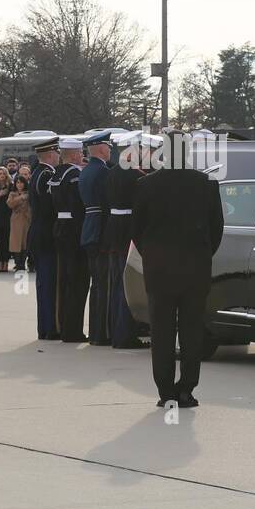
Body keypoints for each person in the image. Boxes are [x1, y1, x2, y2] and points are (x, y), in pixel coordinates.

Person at [134, 131, 224, 407]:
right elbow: (216, 229)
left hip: (159, 269)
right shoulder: (206, 184)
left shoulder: (146, 185)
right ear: (187, 153)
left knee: (161, 332)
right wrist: (201, 254)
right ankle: (187, 389)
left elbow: (137, 230)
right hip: (195, 268)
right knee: (191, 330)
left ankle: (165, 391)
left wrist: (151, 254)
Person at [105, 133, 147, 349]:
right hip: (128, 229)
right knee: (127, 284)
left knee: (116, 283)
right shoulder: (136, 175)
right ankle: (124, 335)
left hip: (113, 227)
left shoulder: (111, 173)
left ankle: (114, 331)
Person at [49, 137, 89, 342]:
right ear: (74, 154)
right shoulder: (74, 175)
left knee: (66, 280)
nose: (82, 156)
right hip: (73, 229)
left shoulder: (57, 173)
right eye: (81, 153)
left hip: (60, 226)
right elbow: (79, 205)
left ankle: (65, 325)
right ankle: (73, 330)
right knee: (78, 281)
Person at [78, 132, 112, 345]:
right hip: (100, 228)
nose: (110, 150)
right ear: (100, 148)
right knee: (102, 283)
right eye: (108, 147)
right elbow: (107, 203)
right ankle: (101, 333)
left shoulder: (87, 170)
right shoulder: (102, 172)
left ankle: (97, 332)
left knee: (96, 283)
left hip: (89, 227)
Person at [29, 138, 60, 339]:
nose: (59, 156)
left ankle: (45, 328)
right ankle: (50, 328)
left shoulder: (37, 173)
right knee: (48, 284)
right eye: (57, 152)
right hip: (46, 235)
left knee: (44, 284)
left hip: (39, 234)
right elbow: (51, 206)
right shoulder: (47, 175)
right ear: (50, 154)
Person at [7, 174, 32, 271]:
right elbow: (10, 204)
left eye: (21, 182)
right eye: (17, 183)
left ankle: (23, 262)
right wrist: (20, 198)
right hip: (16, 220)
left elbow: (31, 206)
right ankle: (18, 263)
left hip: (26, 219)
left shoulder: (29, 193)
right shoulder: (12, 194)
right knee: (16, 242)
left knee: (25, 241)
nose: (19, 185)